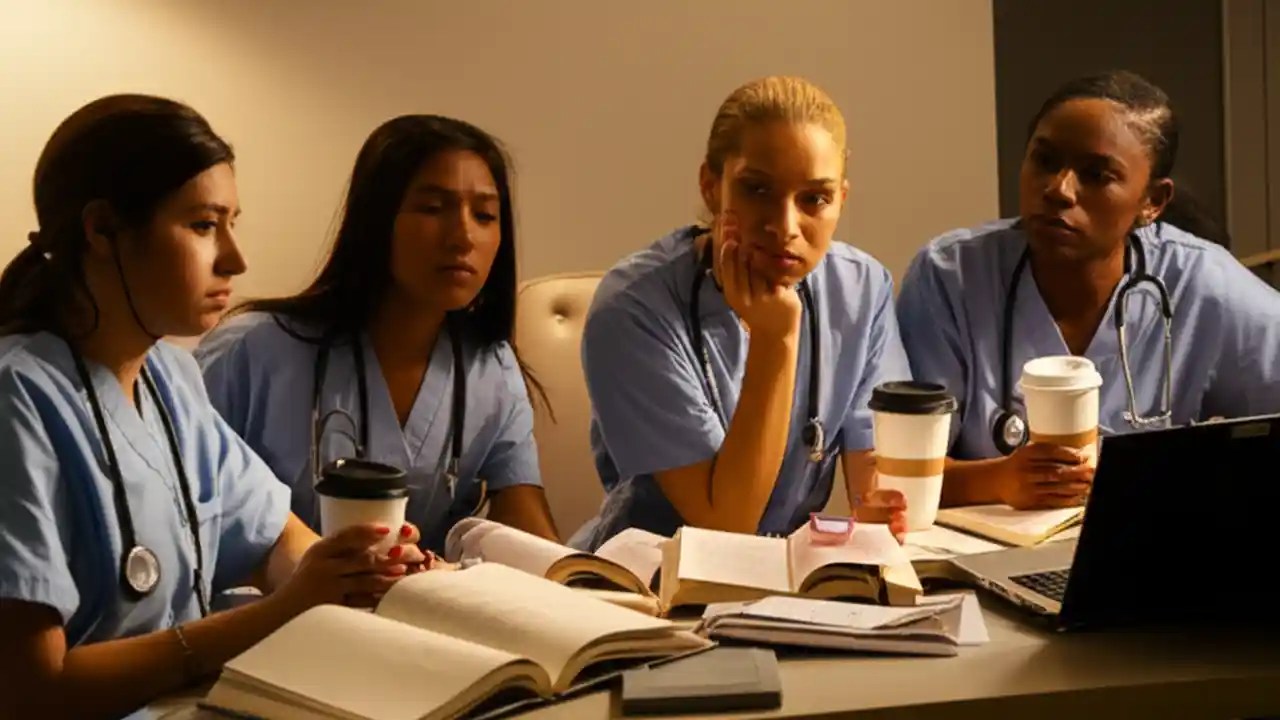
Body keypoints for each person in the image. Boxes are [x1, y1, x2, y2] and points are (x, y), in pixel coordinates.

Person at [0, 95, 426, 720]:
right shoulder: (19, 398)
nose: (235, 259)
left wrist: (354, 567)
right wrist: (284, 610)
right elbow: (30, 689)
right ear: (101, 230)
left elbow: (273, 537)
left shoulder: (172, 378)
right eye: (203, 226)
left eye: (232, 224)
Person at [897, 70, 1280, 510]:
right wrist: (998, 479)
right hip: (981, 564)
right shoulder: (951, 277)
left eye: (1097, 175)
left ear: (1152, 201)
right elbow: (893, 481)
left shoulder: (1199, 282)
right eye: (1044, 160)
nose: (1058, 190)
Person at [572, 76, 911, 551]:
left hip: (781, 583)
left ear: (841, 200)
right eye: (757, 190)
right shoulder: (634, 310)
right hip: (645, 585)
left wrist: (878, 508)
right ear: (712, 187)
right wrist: (777, 339)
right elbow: (725, 530)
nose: (785, 227)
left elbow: (871, 475)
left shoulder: (860, 289)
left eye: (815, 198)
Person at [196, 115, 558, 554]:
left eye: (484, 215)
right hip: (268, 612)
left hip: (412, 612)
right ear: (375, 219)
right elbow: (186, 520)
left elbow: (528, 525)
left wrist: (584, 587)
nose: (463, 236)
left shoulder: (490, 365)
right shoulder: (250, 352)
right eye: (432, 208)